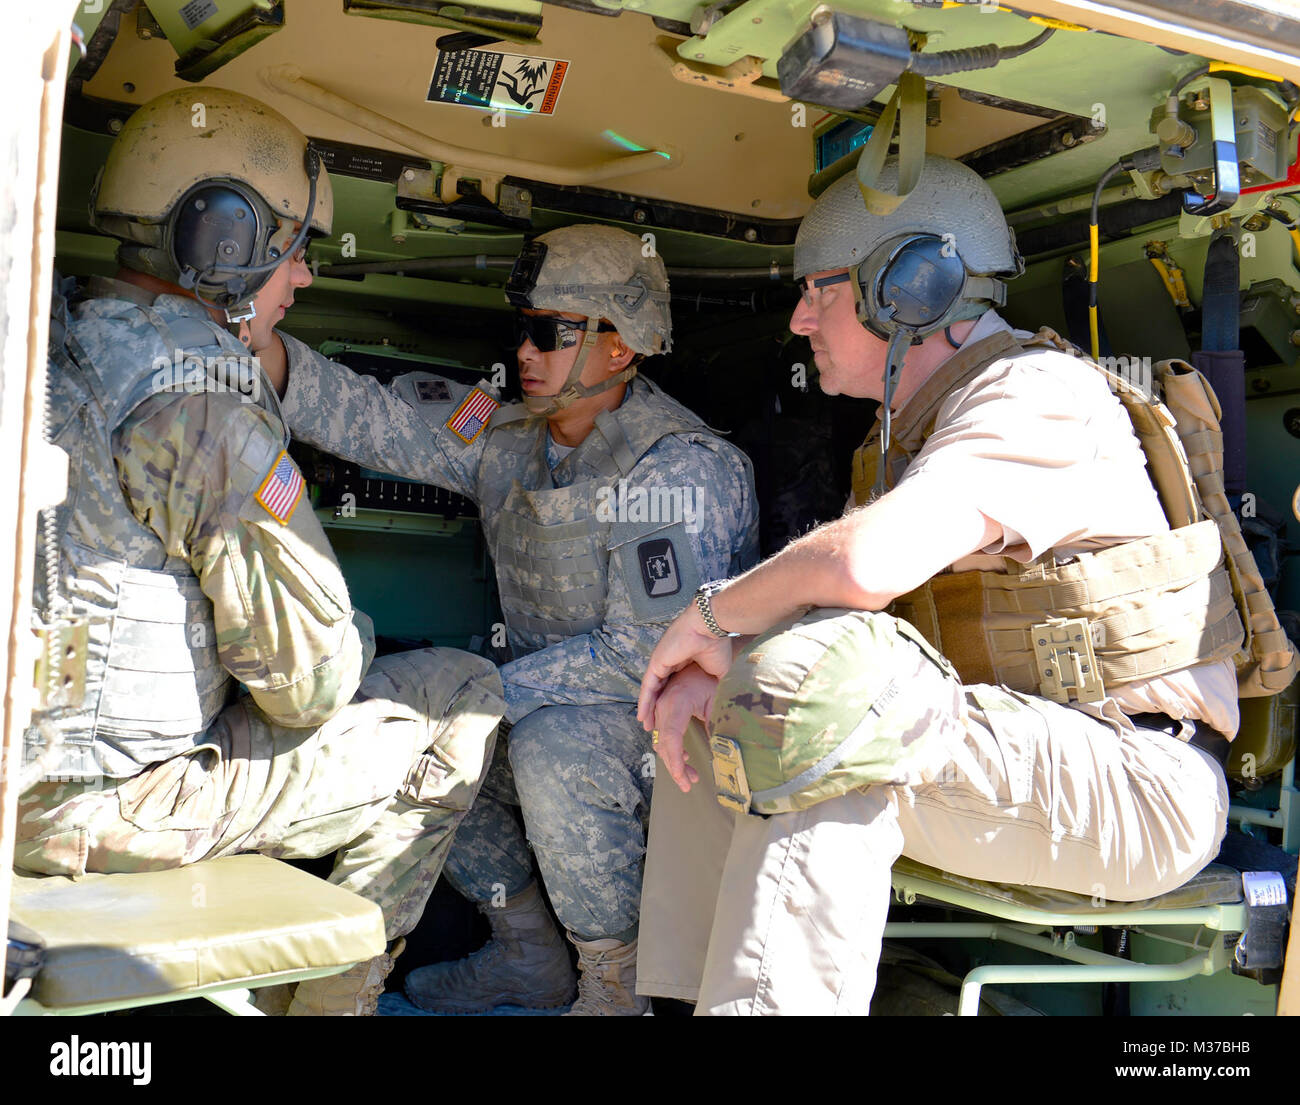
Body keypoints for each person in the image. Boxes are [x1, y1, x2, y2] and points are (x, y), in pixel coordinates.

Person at [636, 154, 1245, 1015]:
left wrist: (710, 613)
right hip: (1017, 759)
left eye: (822, 289)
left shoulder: (1036, 394)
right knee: (720, 710)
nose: (800, 318)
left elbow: (861, 566)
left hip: (1143, 781)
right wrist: (721, 654)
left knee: (824, 717)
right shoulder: (905, 439)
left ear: (908, 290)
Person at [16, 87, 504, 1017]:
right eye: (295, 249)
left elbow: (343, 405)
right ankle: (340, 1001)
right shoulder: (203, 401)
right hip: (111, 805)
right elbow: (307, 684)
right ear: (224, 240)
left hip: (34, 776)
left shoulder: (69, 326)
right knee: (459, 699)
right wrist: (355, 629)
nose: (306, 278)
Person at [264, 224, 759, 1014]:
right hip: (547, 701)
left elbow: (643, 655)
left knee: (540, 742)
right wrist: (264, 353)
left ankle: (618, 979)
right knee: (421, 732)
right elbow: (380, 420)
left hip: (660, 724)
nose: (523, 351)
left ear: (621, 348)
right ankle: (527, 950)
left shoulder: (675, 468)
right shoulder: (514, 437)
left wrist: (479, 687)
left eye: (548, 333)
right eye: (522, 328)